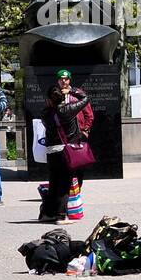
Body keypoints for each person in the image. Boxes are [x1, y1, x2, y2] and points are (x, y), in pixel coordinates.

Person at [38, 85, 91, 223]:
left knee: (53, 183)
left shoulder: (45, 113)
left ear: (49, 100)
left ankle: (47, 214)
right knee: (64, 185)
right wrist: (71, 91)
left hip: (51, 151)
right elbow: (85, 98)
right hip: (66, 152)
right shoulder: (68, 110)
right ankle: (61, 215)